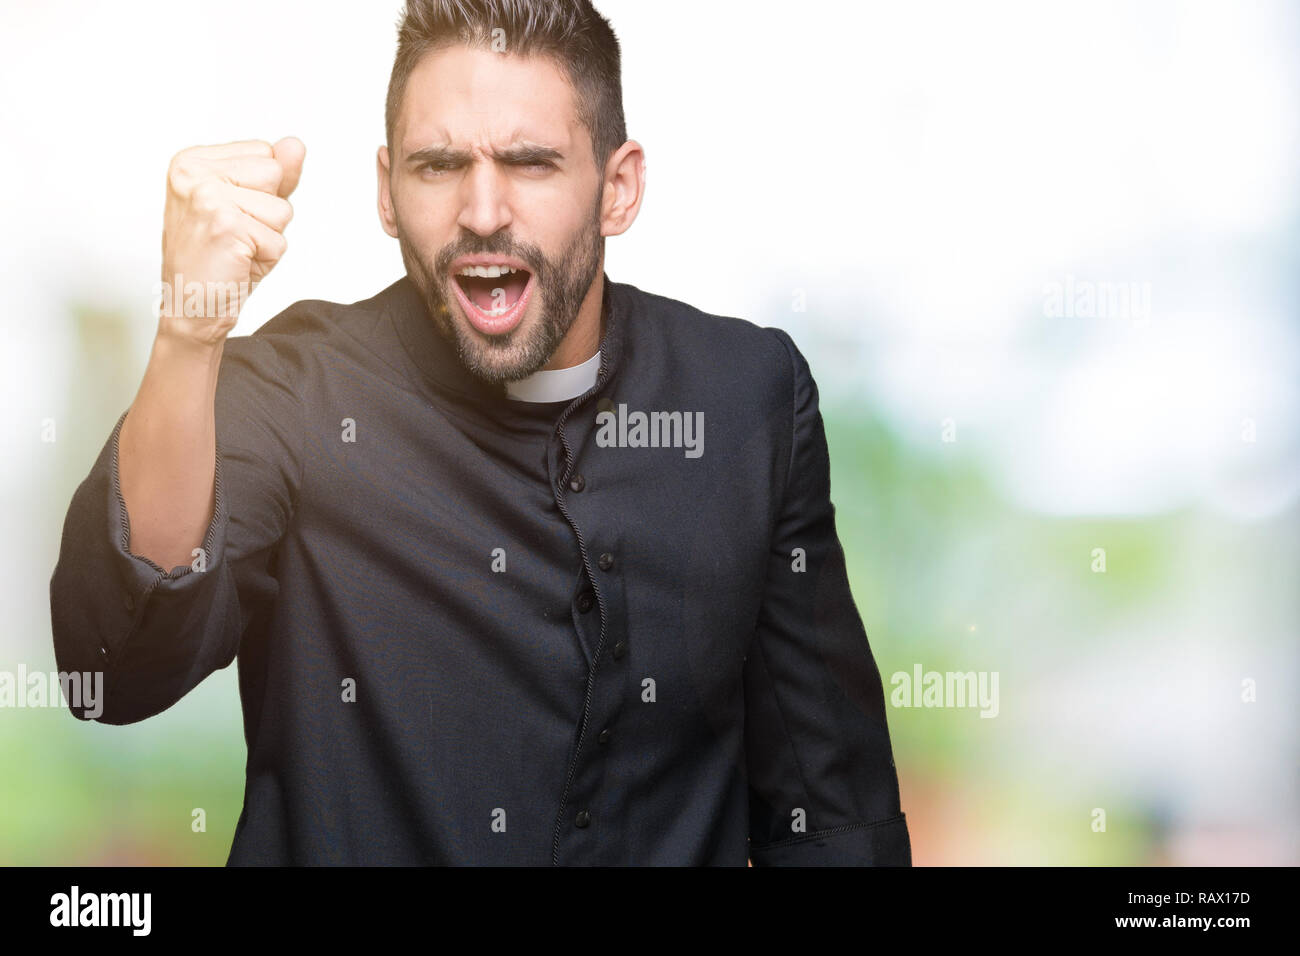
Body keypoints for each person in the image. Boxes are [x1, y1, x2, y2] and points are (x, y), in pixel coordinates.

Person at [50, 0, 911, 866]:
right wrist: (188, 335)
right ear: (387, 191)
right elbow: (115, 667)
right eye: (439, 165)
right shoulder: (294, 391)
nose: (484, 210)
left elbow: (833, 809)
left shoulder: (745, 398)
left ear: (619, 188)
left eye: (531, 163)